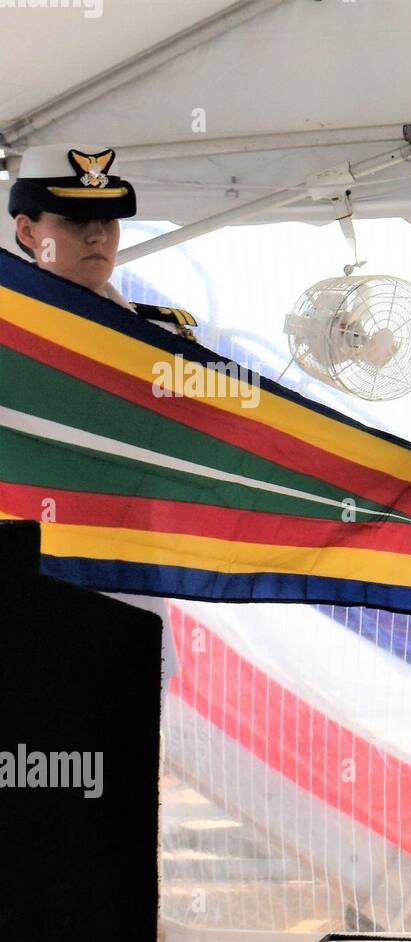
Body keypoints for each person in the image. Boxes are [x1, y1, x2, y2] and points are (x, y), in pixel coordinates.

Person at [8, 143, 197, 683]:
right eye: (75, 221)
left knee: (124, 762)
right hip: (22, 595)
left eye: (109, 222)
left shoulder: (163, 338)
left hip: (128, 592)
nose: (98, 236)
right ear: (27, 232)